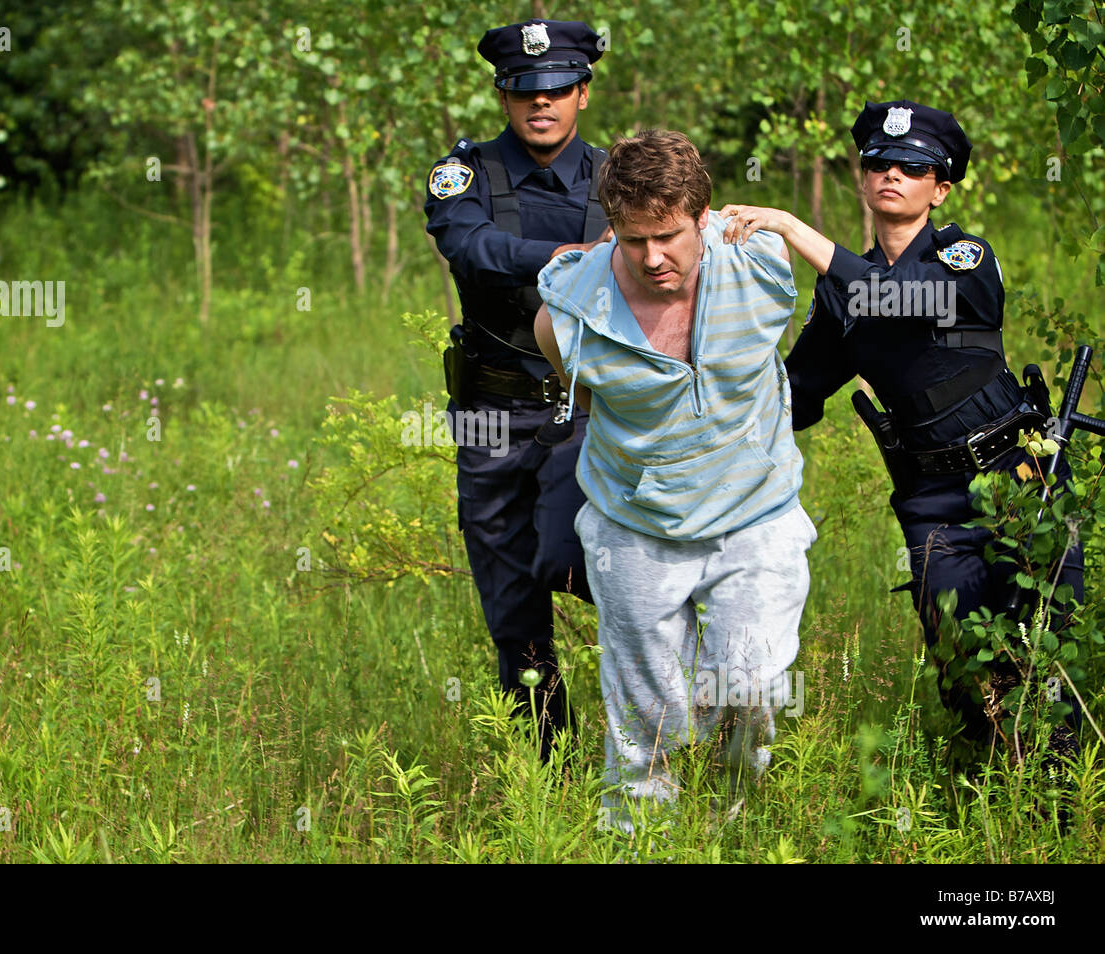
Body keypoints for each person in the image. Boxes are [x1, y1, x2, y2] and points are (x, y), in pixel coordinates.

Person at [720, 100, 1084, 756]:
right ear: (862, 179)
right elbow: (792, 397)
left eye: (913, 167)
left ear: (940, 189)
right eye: (878, 163)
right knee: (964, 666)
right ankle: (987, 794)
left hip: (1017, 476)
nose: (892, 173)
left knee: (1048, 657)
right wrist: (705, 371)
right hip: (933, 498)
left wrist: (790, 228)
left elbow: (900, 297)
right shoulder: (838, 293)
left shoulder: (963, 257)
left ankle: (1060, 808)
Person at [534, 129, 818, 825]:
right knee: (647, 714)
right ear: (611, 231)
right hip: (635, 523)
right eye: (633, 241)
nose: (653, 257)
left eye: (668, 235)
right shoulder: (567, 313)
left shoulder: (761, 262)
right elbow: (585, 399)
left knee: (750, 687)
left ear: (705, 219)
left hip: (756, 513)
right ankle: (638, 838)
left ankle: (733, 822)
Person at [423, 19, 613, 760]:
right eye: (524, 90)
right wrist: (570, 256)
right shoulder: (464, 176)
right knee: (513, 613)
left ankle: (660, 731)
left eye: (557, 90)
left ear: (583, 95)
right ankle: (550, 767)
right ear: (504, 96)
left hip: (591, 411)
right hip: (492, 417)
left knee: (593, 564)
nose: (542, 103)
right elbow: (471, 249)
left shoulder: (614, 175)